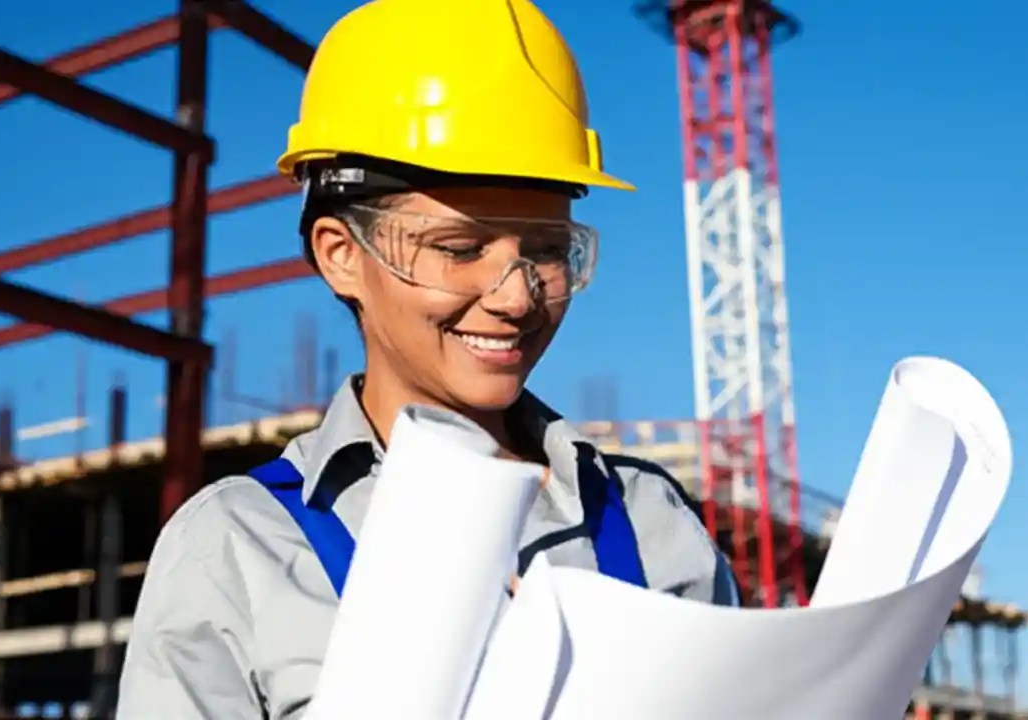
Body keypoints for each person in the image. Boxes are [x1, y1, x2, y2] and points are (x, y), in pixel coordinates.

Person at [115, 0, 739, 716]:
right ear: (342, 256)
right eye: (459, 249)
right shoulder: (235, 547)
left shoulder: (647, 515)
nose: (515, 297)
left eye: (546, 251)